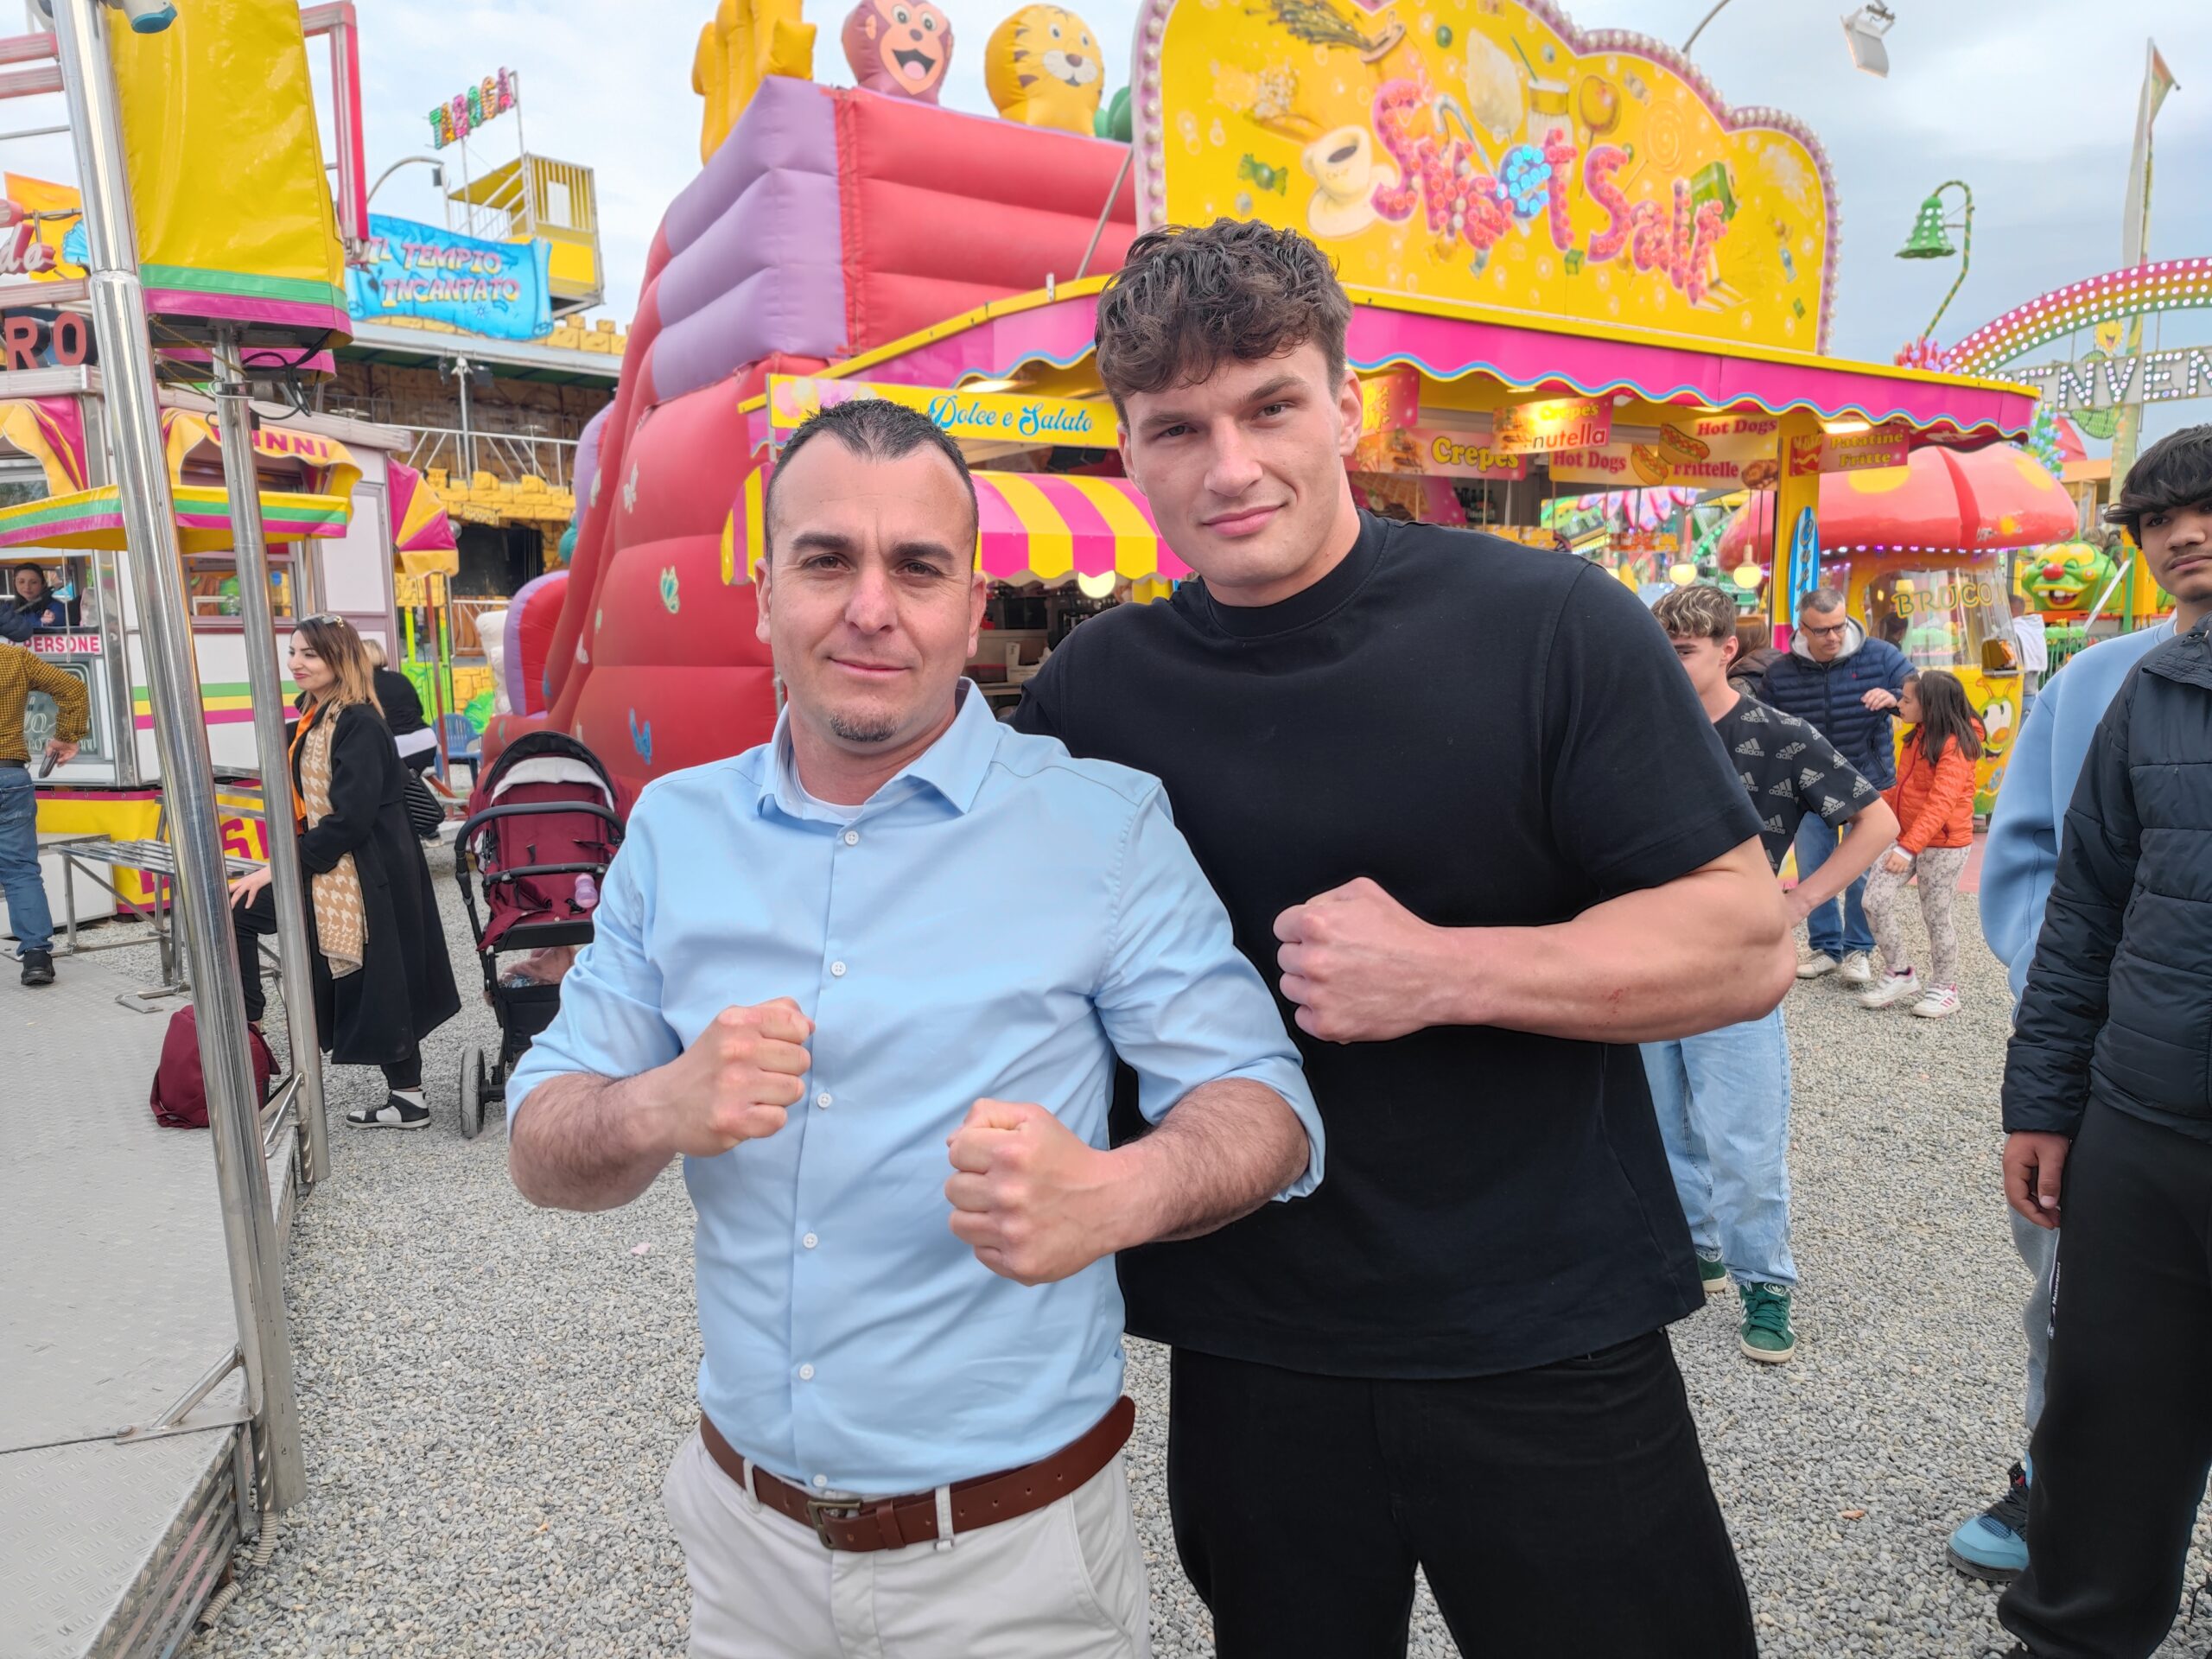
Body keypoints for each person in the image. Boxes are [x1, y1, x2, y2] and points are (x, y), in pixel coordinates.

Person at [1014, 219, 1794, 1658]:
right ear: (1128, 452)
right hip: (1254, 1349)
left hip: (1543, 1327)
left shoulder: (1547, 621)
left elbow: (1746, 941)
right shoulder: (1096, 692)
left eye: (1270, 406)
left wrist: (1446, 971)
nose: (1229, 465)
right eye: (1176, 428)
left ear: (1348, 403)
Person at [506, 398, 1323, 1659]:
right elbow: (544, 1142)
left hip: (1016, 1572)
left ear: (972, 601)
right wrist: (660, 1105)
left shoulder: (1102, 830)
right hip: (746, 1551)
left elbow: (1264, 1107)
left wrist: (1116, 1192)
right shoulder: (674, 831)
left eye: (917, 566)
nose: (871, 608)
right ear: (766, 587)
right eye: (828, 559)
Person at [1944, 427, 2212, 1586]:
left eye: (2206, 510)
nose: (2186, 534)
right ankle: (2061, 1482)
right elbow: (2045, 868)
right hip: (2119, 1070)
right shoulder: (2099, 682)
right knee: (2083, 1300)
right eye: (2159, 519)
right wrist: (2084, 1024)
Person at [1644, 584, 1898, 1363]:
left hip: (1739, 964)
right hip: (1642, 959)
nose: (1667, 661)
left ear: (1728, 649)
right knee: (1659, 1126)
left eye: (1683, 649)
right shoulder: (1633, 729)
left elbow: (1877, 820)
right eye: (1662, 647)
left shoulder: (1778, 734)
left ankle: (1764, 1281)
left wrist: (1805, 901)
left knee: (1744, 1135)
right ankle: (1700, 1250)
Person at [226, 614, 459, 1128]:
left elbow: (349, 817)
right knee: (375, 976)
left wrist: (280, 869)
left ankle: (251, 1038)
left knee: (377, 976)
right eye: (293, 652)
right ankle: (406, 1098)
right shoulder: (318, 715)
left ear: (339, 658)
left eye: (310, 653)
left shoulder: (356, 721)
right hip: (347, 864)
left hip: (362, 868)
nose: (296, 663)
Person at [1760, 585, 1911, 987]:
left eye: (1839, 627)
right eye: (1822, 630)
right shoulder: (1781, 673)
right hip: (1809, 786)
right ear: (1803, 629)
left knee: (1859, 868)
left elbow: (1920, 697)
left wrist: (1894, 697)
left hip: (1867, 778)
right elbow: (1766, 724)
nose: (1833, 637)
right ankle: (1826, 946)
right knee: (1814, 865)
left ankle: (1858, 950)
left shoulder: (1880, 655)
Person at [1856, 669, 1980, 1018]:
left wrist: (1907, 848)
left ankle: (1945, 988)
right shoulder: (1917, 738)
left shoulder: (1955, 746)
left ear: (1931, 705)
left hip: (1944, 844)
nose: (1900, 703)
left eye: (1907, 700)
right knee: (1874, 901)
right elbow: (1909, 790)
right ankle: (1899, 972)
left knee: (1936, 916)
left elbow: (1941, 803)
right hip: (1908, 837)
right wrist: (1871, 802)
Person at [0, 635, 86, 986]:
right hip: (9, 776)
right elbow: (73, 689)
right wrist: (66, 736)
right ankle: (37, 957)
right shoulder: (13, 658)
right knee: (21, 871)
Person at [359, 636, 438, 777]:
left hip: (398, 747)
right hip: (427, 742)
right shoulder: (400, 678)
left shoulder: (363, 686)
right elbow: (420, 710)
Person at [0, 563, 72, 640]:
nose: (27, 587)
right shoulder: (7, 607)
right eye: (21, 582)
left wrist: (48, 621)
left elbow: (61, 621)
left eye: (33, 582)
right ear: (15, 584)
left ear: (43, 583)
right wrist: (39, 622)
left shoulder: (56, 607)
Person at [2007, 589, 2048, 720]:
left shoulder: (2011, 633)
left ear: (2010, 610)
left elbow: (2009, 663)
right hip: (2032, 692)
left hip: (2017, 695)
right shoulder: (2034, 631)